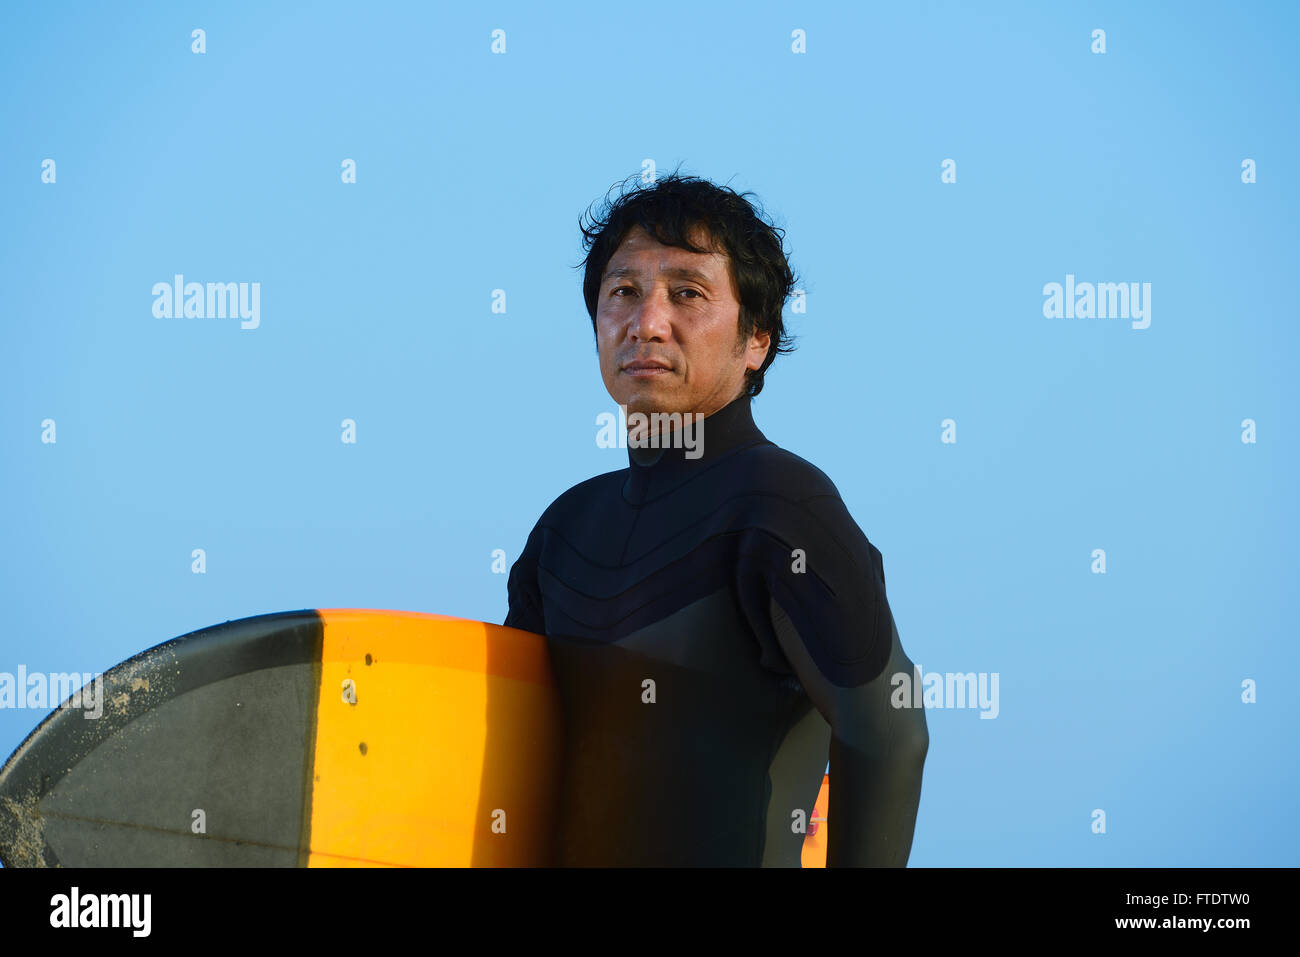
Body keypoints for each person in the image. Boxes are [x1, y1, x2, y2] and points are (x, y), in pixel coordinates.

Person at [504, 170, 929, 866]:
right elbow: (509, 757)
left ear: (756, 338)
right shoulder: (564, 531)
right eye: (623, 291)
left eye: (687, 293)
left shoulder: (783, 507)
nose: (646, 323)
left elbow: (891, 733)